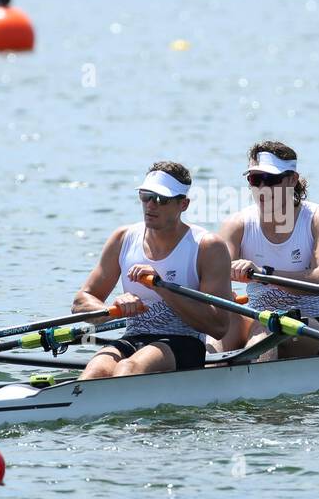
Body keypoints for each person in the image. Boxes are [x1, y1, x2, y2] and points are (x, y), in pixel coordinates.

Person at [72, 161, 232, 378]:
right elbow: (82, 301)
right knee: (95, 371)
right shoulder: (123, 238)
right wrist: (111, 309)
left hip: (184, 341)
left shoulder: (207, 246)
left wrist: (161, 287)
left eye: (161, 199)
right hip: (134, 336)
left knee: (127, 369)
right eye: (145, 196)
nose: (150, 205)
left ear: (183, 204)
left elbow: (219, 326)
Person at [217, 141, 319, 358]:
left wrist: (266, 275)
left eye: (271, 180)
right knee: (217, 329)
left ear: (292, 180)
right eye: (255, 180)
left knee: (267, 328)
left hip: (313, 328)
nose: (262, 189)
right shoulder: (236, 225)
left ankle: (250, 376)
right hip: (256, 319)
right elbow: (212, 278)